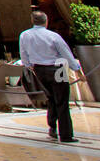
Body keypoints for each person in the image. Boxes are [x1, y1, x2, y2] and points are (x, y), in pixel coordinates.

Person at [19, 9, 82, 143]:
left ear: (32, 21)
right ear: (46, 22)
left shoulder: (24, 35)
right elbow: (66, 53)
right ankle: (66, 135)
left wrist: (29, 66)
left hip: (39, 70)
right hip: (56, 69)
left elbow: (23, 54)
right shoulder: (53, 36)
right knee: (62, 101)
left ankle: (52, 128)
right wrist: (77, 70)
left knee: (51, 98)